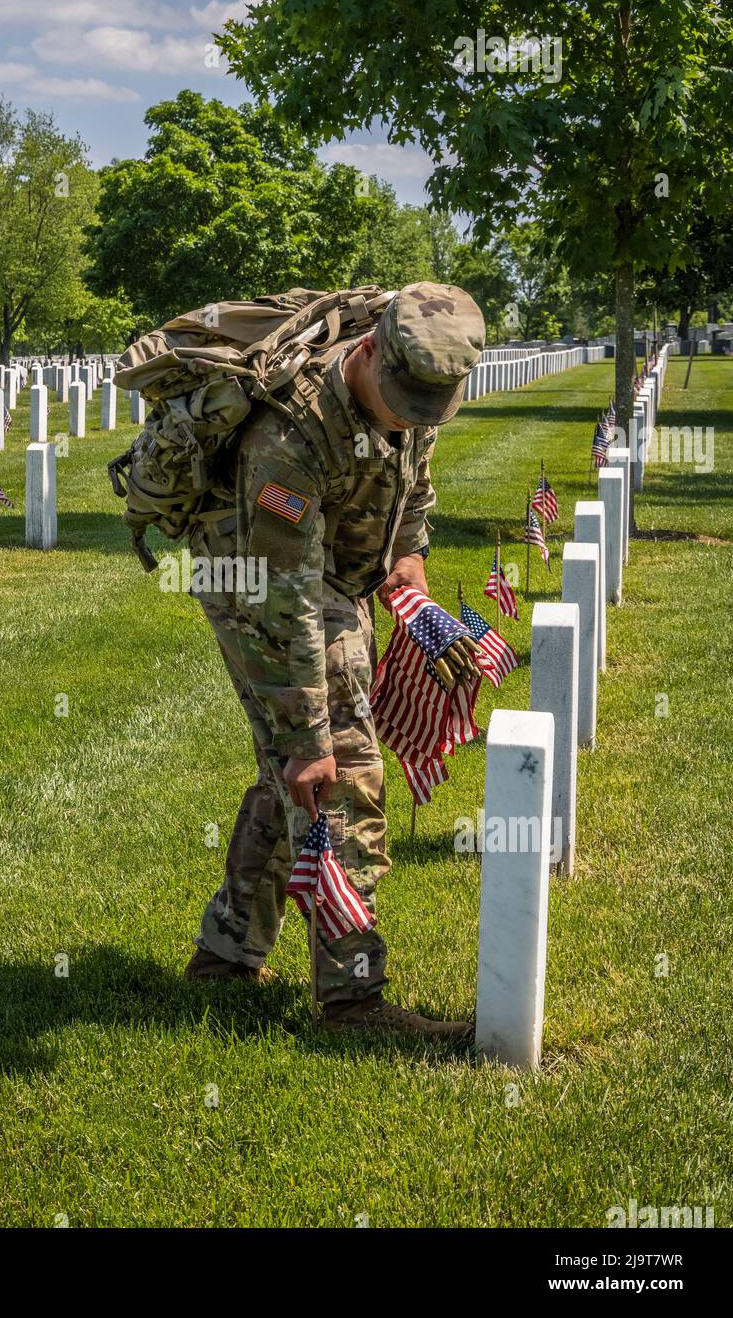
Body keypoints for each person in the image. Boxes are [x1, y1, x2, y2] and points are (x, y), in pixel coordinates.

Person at [184, 282, 485, 1038]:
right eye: (402, 397)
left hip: (334, 574)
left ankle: (225, 958)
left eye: (429, 404)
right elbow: (281, 605)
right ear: (372, 351)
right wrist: (307, 738)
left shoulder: (416, 387)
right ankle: (353, 1000)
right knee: (338, 773)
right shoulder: (289, 437)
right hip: (255, 579)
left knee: (290, 780)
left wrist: (407, 568)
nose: (413, 414)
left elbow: (412, 486)